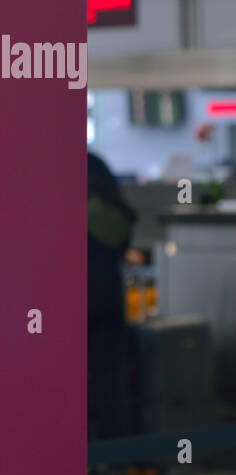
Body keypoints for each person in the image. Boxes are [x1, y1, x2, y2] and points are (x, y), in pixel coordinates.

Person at [88, 152, 138, 445]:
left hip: (65, 299)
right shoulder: (114, 210)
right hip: (107, 295)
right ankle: (114, 456)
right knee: (110, 378)